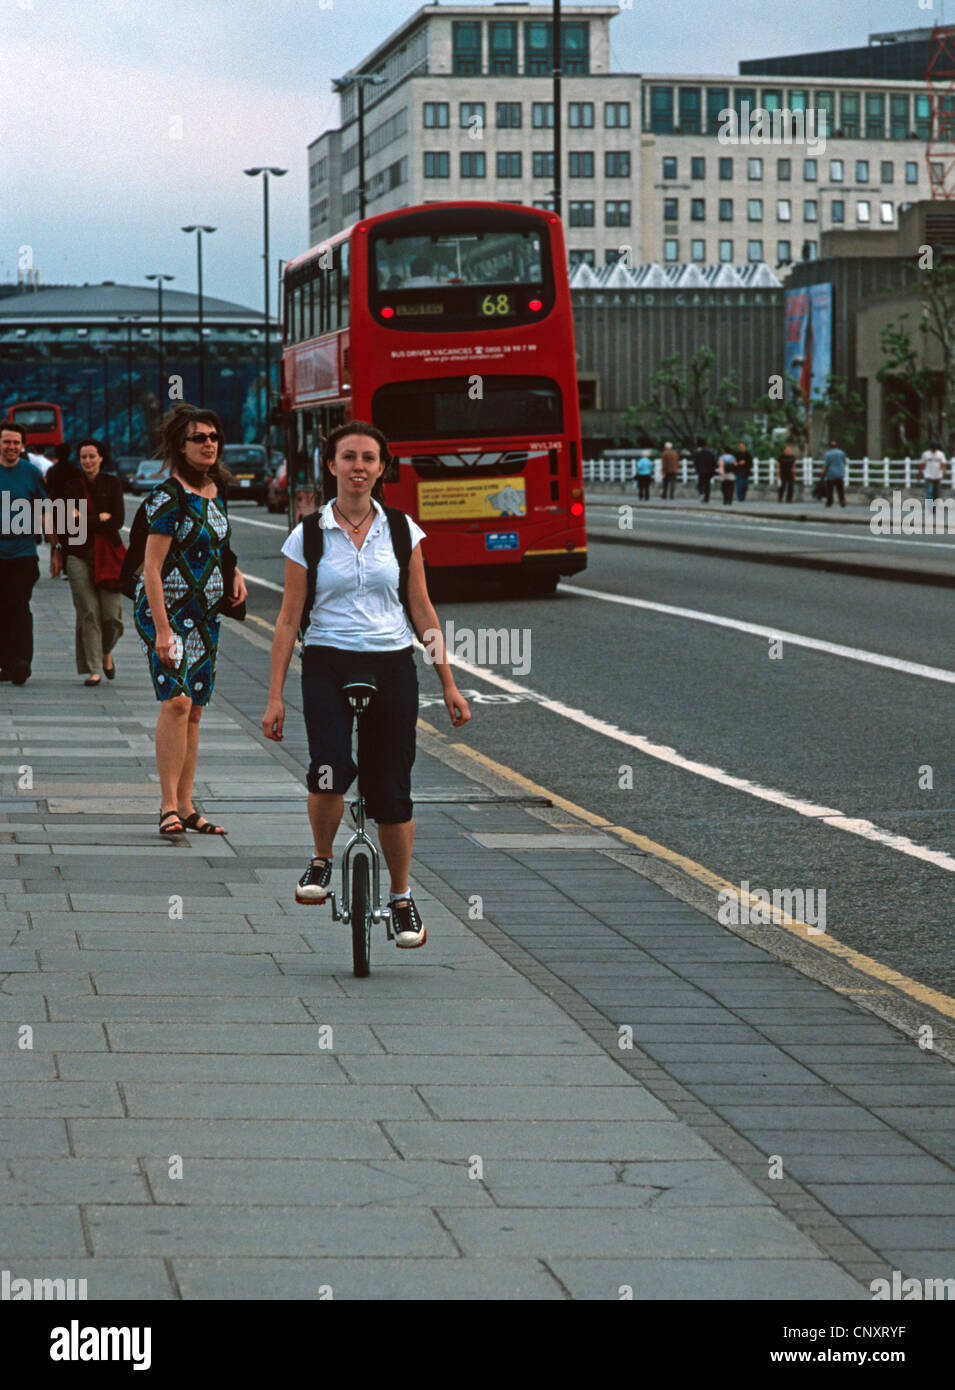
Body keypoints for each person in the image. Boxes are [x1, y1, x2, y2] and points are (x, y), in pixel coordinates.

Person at [262, 420, 471, 950]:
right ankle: (320, 861)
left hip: (392, 663)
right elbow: (288, 620)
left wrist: (448, 681)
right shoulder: (306, 534)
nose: (359, 467)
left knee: (392, 788)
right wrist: (274, 697)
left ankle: (401, 898)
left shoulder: (402, 531)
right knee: (329, 767)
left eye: (369, 458)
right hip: (329, 661)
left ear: (382, 468)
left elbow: (422, 609)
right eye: (349, 457)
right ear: (330, 465)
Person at [133, 405, 247, 837]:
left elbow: (219, 544)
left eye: (214, 437)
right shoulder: (167, 496)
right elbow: (150, 568)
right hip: (167, 612)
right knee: (176, 701)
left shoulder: (217, 489)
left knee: (195, 708)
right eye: (199, 437)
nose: (209, 444)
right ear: (180, 446)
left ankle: (187, 804)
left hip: (206, 616)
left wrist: (233, 573)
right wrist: (162, 630)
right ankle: (167, 806)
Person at [55, 438, 125, 686]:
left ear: (101, 458)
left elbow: (116, 520)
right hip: (78, 555)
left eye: (92, 456)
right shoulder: (71, 486)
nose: (87, 461)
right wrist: (98, 519)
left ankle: (106, 652)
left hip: (108, 556)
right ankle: (93, 668)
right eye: (83, 457)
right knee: (88, 613)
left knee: (112, 617)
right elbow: (68, 523)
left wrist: (84, 517)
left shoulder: (112, 483)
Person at [0, 421, 60, 685]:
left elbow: (46, 511)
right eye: (6, 441)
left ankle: (21, 661)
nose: (11, 446)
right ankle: (5, 663)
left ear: (22, 446)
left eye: (16, 442)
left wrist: (56, 549)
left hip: (23, 553)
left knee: (19, 606)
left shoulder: (31, 473)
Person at [822, 439, 848, 508]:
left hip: (831, 474)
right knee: (840, 489)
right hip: (840, 474)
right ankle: (842, 500)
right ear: (836, 446)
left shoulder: (828, 454)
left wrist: (822, 473)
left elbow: (825, 465)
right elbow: (844, 463)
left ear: (830, 446)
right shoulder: (841, 453)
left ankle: (830, 501)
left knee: (830, 489)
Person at [693, 438, 716, 503]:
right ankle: (707, 498)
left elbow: (695, 462)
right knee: (707, 485)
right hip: (709, 472)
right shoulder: (710, 453)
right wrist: (712, 470)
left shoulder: (698, 453)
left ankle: (702, 494)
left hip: (701, 472)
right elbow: (714, 462)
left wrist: (697, 470)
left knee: (700, 484)